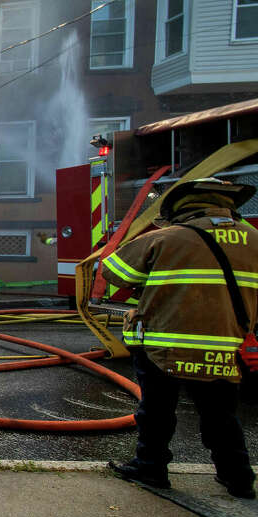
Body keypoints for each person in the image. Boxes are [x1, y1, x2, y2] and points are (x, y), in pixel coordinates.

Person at [101, 177, 258, 498]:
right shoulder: (255, 239)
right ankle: (238, 478)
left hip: (164, 346)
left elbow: (113, 273)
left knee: (157, 412)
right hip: (224, 348)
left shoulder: (168, 238)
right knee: (221, 416)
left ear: (182, 208)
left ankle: (151, 468)